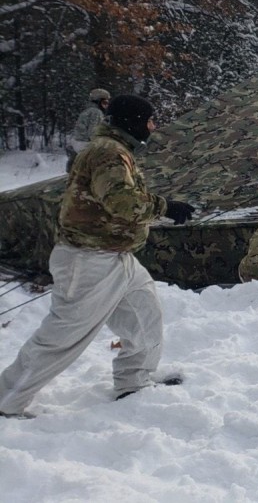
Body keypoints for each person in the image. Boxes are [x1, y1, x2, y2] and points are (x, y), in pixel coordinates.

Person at [0, 95, 195, 417]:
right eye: (149, 120)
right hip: (88, 259)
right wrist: (165, 207)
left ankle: (133, 383)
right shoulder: (108, 153)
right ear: (133, 121)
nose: (153, 126)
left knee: (145, 316)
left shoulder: (114, 150)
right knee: (62, 337)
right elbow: (120, 201)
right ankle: (6, 401)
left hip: (116, 256)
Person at [65, 88, 110, 172]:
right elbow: (93, 132)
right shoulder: (96, 112)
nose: (106, 106)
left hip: (77, 144)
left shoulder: (87, 111)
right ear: (98, 102)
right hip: (85, 144)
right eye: (105, 103)